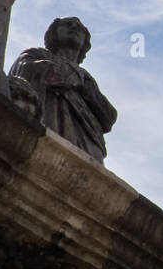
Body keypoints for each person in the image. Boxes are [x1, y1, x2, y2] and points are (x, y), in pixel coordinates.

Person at [8, 17, 117, 164]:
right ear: (54, 34)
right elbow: (23, 73)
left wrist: (83, 85)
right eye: (67, 24)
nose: (73, 26)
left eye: (79, 27)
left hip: (87, 140)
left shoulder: (85, 78)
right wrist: (69, 76)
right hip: (50, 119)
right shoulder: (36, 54)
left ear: (85, 43)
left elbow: (108, 117)